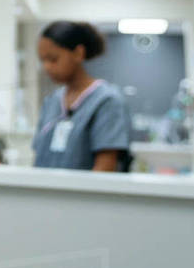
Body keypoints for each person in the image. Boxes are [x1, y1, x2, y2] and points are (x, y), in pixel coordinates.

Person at [33, 20, 131, 172]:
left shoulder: (106, 101)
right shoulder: (51, 102)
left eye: (53, 59)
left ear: (78, 53)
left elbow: (105, 169)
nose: (47, 67)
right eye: (42, 60)